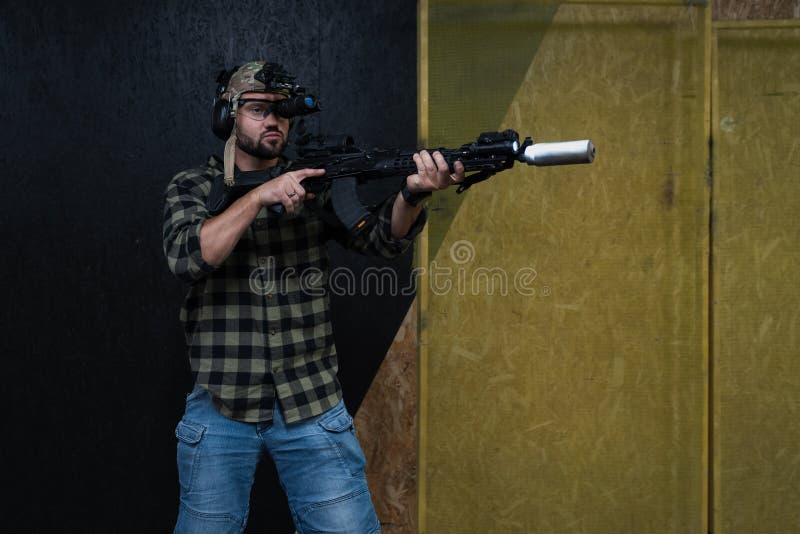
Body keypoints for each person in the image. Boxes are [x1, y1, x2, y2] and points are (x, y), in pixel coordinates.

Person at [162, 60, 465, 534]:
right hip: (222, 400)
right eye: (258, 109)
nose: (273, 121)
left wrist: (411, 195)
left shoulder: (312, 184)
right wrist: (258, 197)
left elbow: (381, 240)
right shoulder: (193, 186)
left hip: (310, 400)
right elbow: (188, 258)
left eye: (282, 111)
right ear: (227, 115)